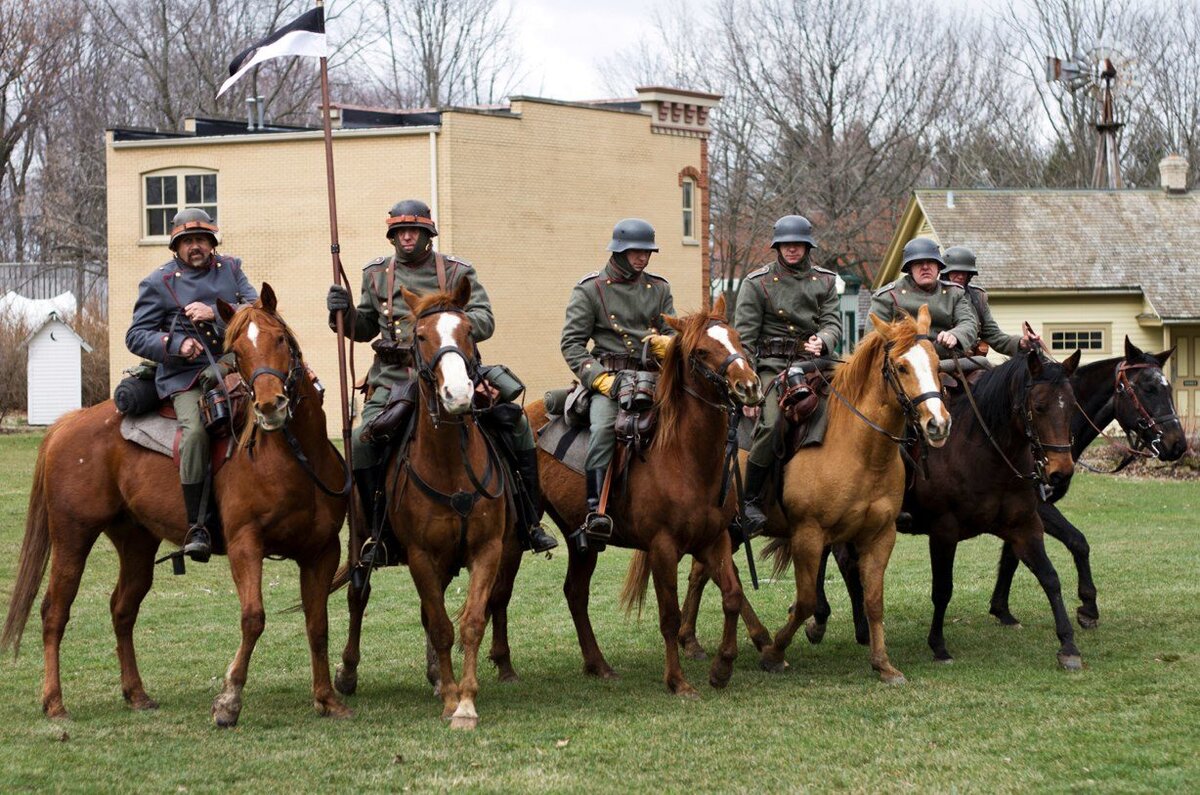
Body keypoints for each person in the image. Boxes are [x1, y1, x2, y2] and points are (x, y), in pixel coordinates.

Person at [326, 199, 557, 557]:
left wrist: (449, 329)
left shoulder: (456, 270)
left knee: (517, 425)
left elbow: (485, 318)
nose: (406, 237)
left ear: (427, 234)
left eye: (414, 231)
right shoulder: (375, 274)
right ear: (391, 236)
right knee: (361, 441)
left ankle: (529, 521)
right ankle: (377, 533)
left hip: (451, 371)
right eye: (400, 231)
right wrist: (342, 313)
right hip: (392, 378)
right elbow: (365, 327)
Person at [125, 208, 257, 562]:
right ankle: (198, 524)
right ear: (175, 246)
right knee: (196, 432)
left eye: (201, 240)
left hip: (230, 365)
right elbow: (136, 335)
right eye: (187, 241)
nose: (195, 247)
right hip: (185, 376)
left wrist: (215, 312)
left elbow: (256, 309)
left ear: (212, 243)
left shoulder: (231, 269)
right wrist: (175, 345)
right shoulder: (158, 282)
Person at [559, 218, 676, 549]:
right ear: (620, 252)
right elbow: (572, 344)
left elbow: (671, 332)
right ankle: (596, 510)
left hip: (652, 375)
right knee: (604, 429)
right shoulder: (591, 290)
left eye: (647, 252)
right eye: (636, 252)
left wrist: (667, 344)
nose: (642, 258)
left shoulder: (659, 288)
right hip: (611, 377)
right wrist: (600, 380)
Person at [734, 214, 841, 535]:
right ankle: (751, 500)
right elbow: (745, 340)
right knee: (770, 423)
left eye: (798, 244)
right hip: (771, 368)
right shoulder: (757, 283)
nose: (792, 250)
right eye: (786, 245)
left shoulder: (825, 281)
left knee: (851, 411)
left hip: (815, 366)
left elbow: (833, 322)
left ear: (807, 247)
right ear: (777, 247)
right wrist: (749, 391)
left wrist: (824, 339)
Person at [870, 237, 978, 358]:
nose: (925, 267)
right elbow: (873, 340)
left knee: (986, 369)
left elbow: (968, 323)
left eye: (930, 262)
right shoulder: (887, 296)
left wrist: (955, 335)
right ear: (910, 269)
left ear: (939, 268)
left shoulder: (954, 293)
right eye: (918, 263)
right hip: (904, 365)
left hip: (947, 359)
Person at [942, 246, 1040, 356]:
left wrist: (1020, 342)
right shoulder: (933, 295)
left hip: (971, 362)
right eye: (955, 271)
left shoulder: (977, 298)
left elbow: (994, 335)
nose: (960, 276)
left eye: (964, 272)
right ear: (945, 273)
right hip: (938, 359)